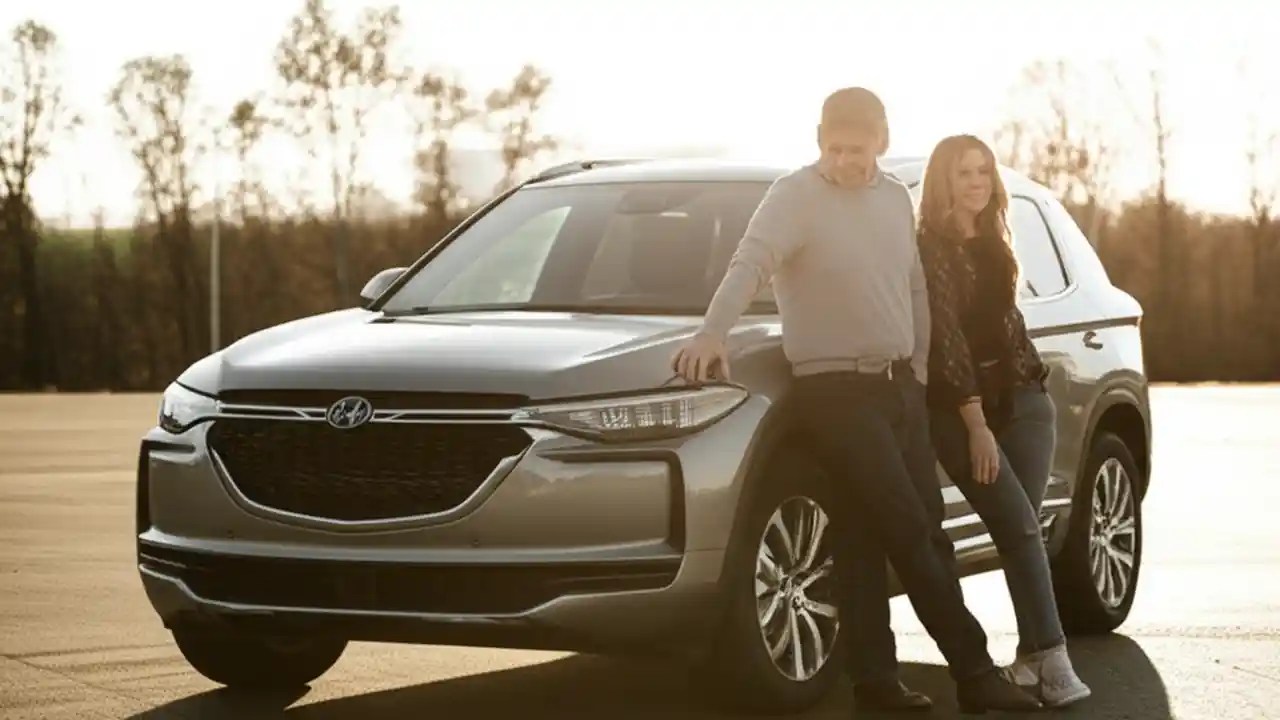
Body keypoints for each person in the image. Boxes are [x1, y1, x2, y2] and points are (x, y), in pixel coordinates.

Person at [671, 88, 1041, 714]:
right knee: (910, 527)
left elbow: (916, 287)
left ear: (882, 144)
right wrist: (713, 331)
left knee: (874, 534)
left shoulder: (895, 198)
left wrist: (919, 370)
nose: (845, 160)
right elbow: (750, 263)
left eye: (857, 149)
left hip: (900, 389)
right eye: (834, 148)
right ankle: (976, 675)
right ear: (820, 140)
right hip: (835, 392)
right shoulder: (793, 197)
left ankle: (875, 682)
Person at [914, 133, 1093, 708]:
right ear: (943, 181)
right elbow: (947, 342)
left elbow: (1006, 322)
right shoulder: (929, 248)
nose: (976, 182)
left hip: (1025, 400)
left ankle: (1030, 661)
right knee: (1017, 528)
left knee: (1024, 535)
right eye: (964, 173)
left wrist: (1029, 391)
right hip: (963, 411)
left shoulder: (995, 237)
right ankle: (1056, 659)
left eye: (984, 172)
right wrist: (974, 423)